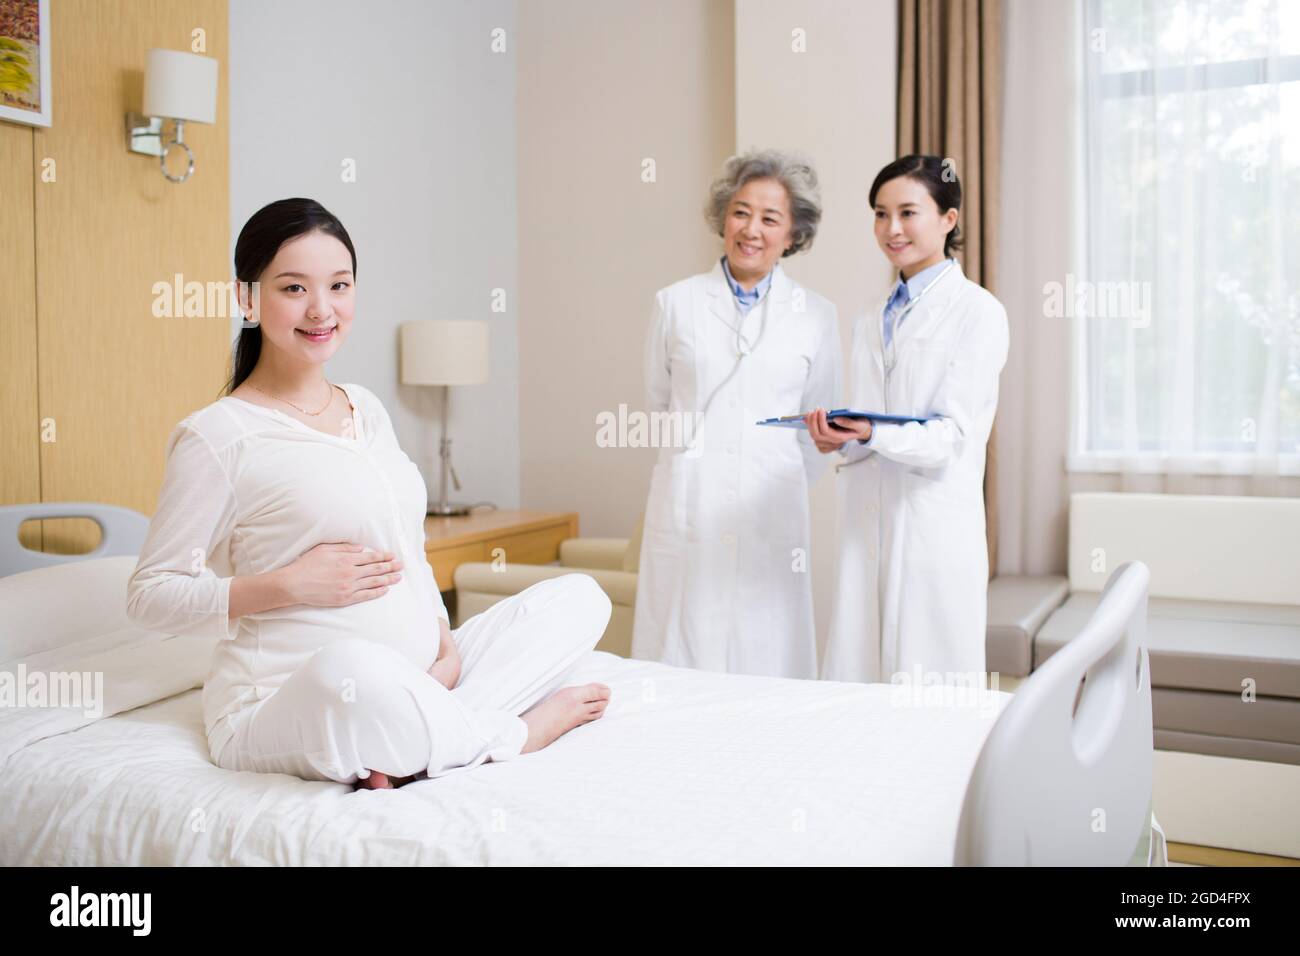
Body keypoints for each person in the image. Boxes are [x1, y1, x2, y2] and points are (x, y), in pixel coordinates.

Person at [127, 198, 612, 790]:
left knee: (580, 597)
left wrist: (442, 639)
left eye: (339, 285)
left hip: (416, 674)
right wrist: (287, 585)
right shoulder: (218, 435)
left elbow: (406, 543)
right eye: (293, 288)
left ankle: (424, 728)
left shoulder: (366, 407)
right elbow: (151, 596)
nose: (321, 309)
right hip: (288, 698)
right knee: (349, 669)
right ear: (247, 299)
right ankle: (512, 734)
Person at [633, 150, 842, 678]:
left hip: (769, 510)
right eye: (741, 212)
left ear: (793, 234)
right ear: (723, 217)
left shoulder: (816, 316)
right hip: (691, 504)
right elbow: (661, 401)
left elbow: (815, 426)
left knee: (766, 664)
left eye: (770, 218)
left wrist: (773, 472)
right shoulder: (675, 303)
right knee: (681, 661)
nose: (751, 229)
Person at [805, 155, 1008, 684]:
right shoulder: (871, 316)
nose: (891, 229)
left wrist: (872, 431)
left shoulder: (978, 312)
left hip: (933, 526)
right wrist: (841, 440)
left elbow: (952, 437)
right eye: (880, 213)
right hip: (867, 523)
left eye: (907, 212)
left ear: (949, 218)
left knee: (929, 693)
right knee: (857, 685)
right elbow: (872, 424)